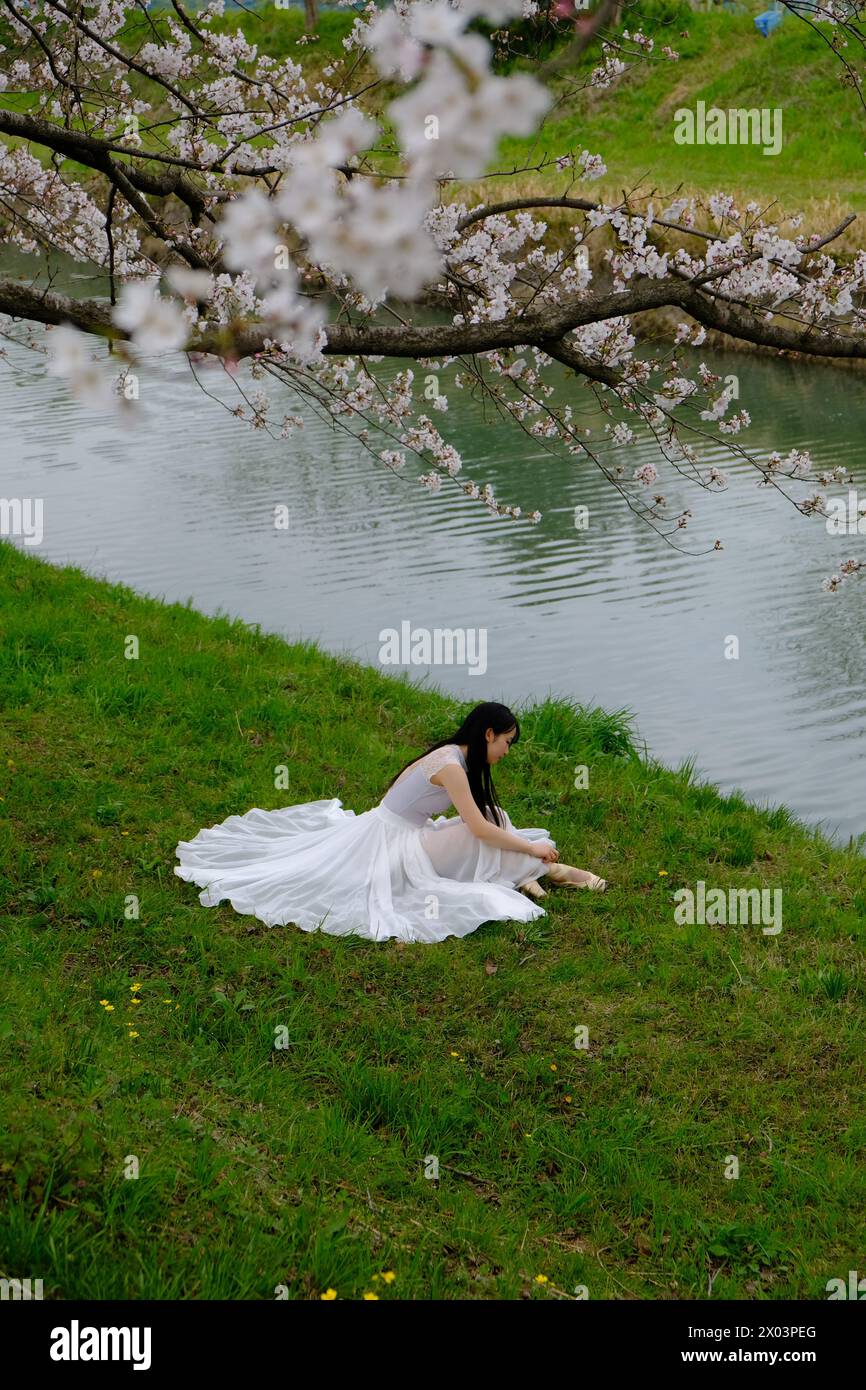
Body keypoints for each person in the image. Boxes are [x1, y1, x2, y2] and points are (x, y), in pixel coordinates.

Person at [174, 701, 608, 944]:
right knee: (485, 833)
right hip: (395, 844)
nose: (507, 752)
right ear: (488, 734)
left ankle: (529, 874)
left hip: (403, 832)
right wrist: (531, 847)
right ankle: (546, 869)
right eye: (507, 742)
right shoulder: (452, 765)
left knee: (497, 817)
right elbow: (474, 829)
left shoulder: (456, 758)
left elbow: (479, 818)